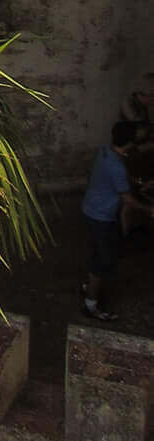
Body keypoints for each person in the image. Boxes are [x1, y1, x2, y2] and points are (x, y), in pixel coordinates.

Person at [81, 119, 152, 321]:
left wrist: (135, 182)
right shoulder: (118, 167)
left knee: (95, 251)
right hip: (102, 217)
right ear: (130, 142)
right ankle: (90, 306)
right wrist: (149, 210)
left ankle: (88, 286)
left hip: (89, 209)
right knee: (102, 263)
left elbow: (117, 176)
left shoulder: (105, 151)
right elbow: (128, 200)